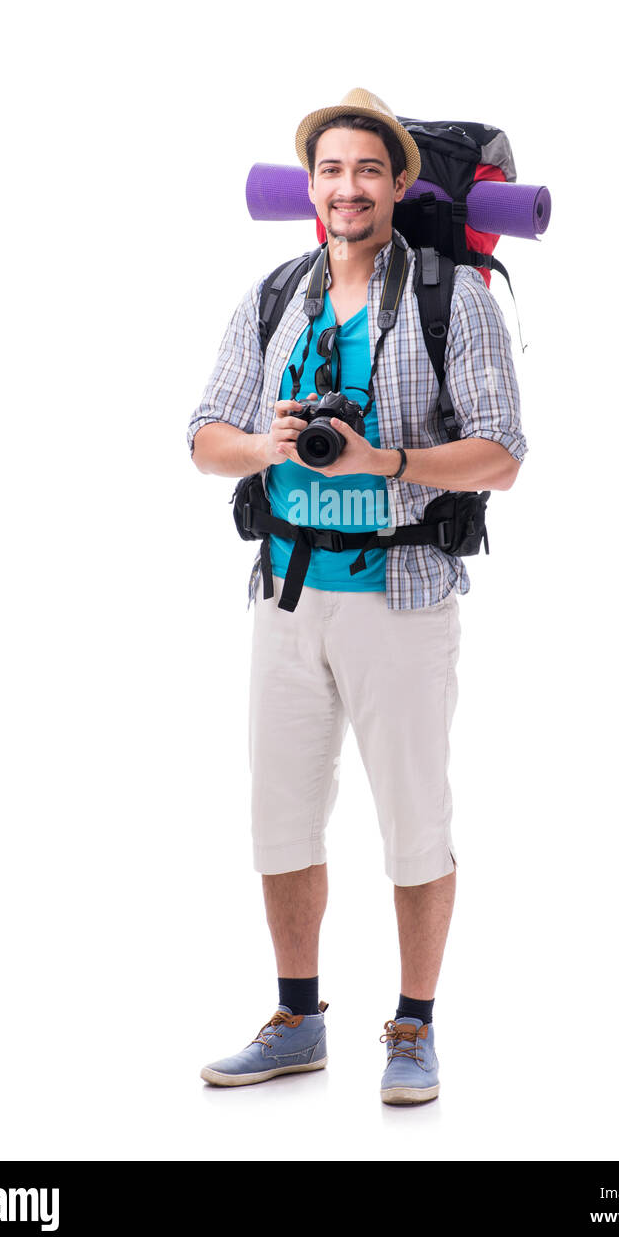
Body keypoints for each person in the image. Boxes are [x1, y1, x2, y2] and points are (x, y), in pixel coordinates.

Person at [186, 88, 527, 1103]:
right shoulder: (273, 295)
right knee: (280, 819)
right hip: (286, 598)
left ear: (398, 184)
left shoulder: (450, 298)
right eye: (330, 170)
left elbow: (504, 454)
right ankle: (297, 1019)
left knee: (414, 820)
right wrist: (270, 443)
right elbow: (205, 435)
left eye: (368, 170)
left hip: (402, 596)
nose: (347, 187)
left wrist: (388, 460)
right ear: (311, 186)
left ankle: (414, 1028)